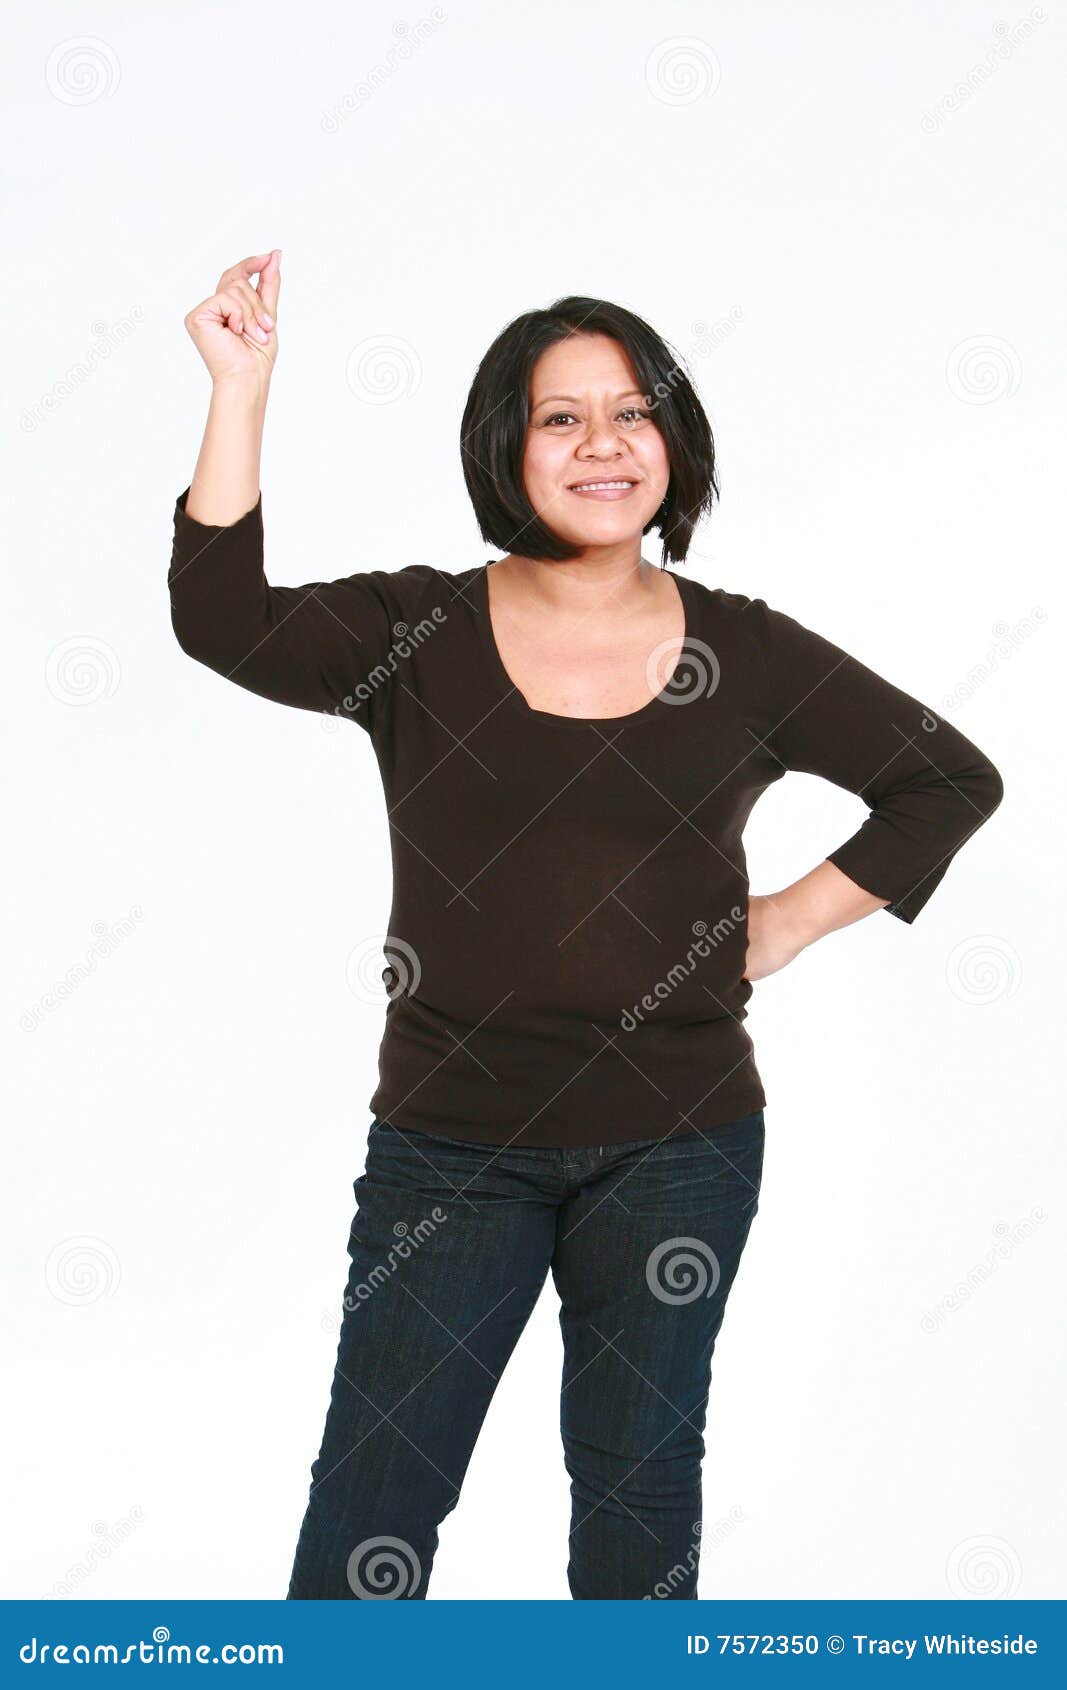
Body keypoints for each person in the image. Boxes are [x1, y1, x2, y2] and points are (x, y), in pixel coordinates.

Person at [168, 251, 1004, 1600]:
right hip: (451, 1151)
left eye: (633, 410)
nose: (603, 444)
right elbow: (220, 621)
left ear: (674, 438)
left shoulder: (749, 651)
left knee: (636, 1514)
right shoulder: (417, 633)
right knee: (371, 1516)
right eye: (562, 417)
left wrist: (787, 919)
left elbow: (947, 775)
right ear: (510, 447)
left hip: (680, 1147)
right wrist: (241, 387)